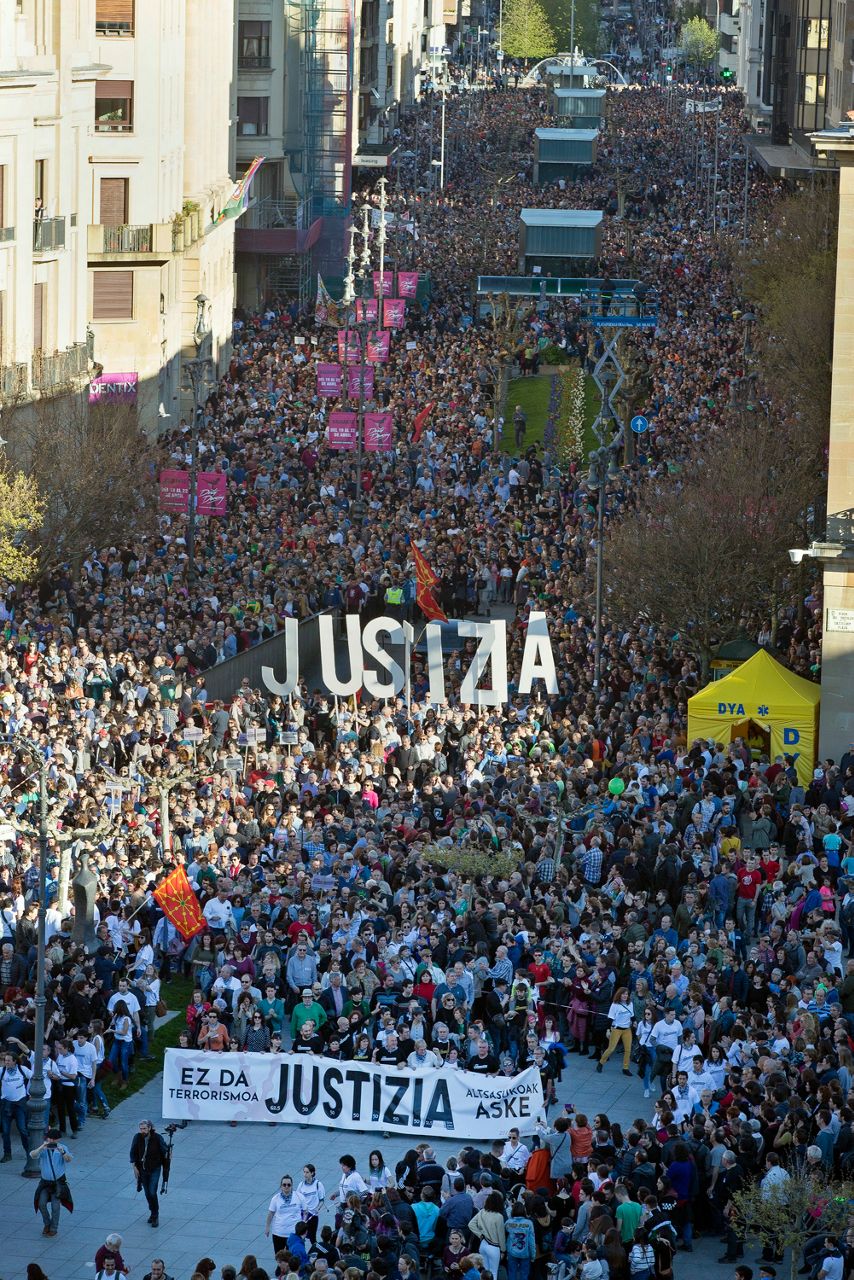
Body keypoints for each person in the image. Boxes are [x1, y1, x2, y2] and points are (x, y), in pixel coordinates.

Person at [30, 1127, 73, 1237]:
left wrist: (62, 1152)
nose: (52, 1141)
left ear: (58, 1139)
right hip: (45, 1183)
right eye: (50, 1138)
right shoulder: (44, 1149)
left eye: (54, 1139)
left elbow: (69, 1159)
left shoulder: (62, 1148)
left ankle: (54, 1228)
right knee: (41, 1203)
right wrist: (42, 1147)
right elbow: (33, 1155)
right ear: (47, 1138)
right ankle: (47, 1223)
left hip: (58, 1183)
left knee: (55, 1207)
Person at [130, 1119, 169, 1227]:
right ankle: (152, 1212)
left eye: (144, 1128)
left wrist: (168, 1155)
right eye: (141, 1128)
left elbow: (165, 1151)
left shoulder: (157, 1138)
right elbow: (133, 1152)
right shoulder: (137, 1137)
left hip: (155, 1168)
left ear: (150, 1128)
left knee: (152, 1192)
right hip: (142, 1169)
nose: (142, 1131)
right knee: (147, 1193)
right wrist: (134, 1167)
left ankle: (155, 1215)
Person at [0, 1047, 31, 1163]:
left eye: (8, 1060)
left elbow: (34, 1078)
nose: (6, 1062)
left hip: (20, 1104)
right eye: (5, 1060)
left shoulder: (22, 1069)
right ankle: (7, 1154)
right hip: (6, 1105)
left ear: (14, 1061)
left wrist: (30, 1092)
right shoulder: (2, 1071)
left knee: (23, 1129)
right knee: (6, 1132)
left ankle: (29, 1152)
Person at [266, 1174, 301, 1256]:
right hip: (278, 1233)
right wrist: (267, 1227)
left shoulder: (299, 1196)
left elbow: (305, 1211)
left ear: (292, 1186)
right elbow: (270, 1213)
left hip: (293, 1234)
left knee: (293, 1258)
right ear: (281, 1186)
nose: (286, 1186)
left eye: (289, 1185)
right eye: (284, 1185)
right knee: (279, 1257)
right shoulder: (275, 1199)